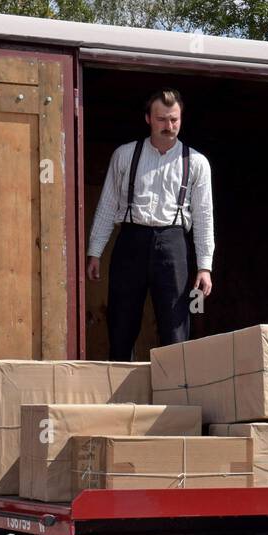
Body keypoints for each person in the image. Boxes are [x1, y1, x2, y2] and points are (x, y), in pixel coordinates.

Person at [86, 89, 215, 360]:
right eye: (161, 119)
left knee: (176, 321)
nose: (169, 126)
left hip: (173, 243)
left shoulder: (198, 163)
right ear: (148, 119)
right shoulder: (124, 155)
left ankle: (175, 395)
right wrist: (95, 251)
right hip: (131, 239)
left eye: (174, 120)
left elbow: (204, 216)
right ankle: (121, 395)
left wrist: (204, 266)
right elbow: (108, 205)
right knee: (121, 319)